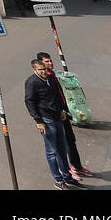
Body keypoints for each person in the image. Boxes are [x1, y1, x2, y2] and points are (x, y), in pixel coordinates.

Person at [25, 58, 86, 189]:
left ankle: (67, 177)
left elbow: (57, 96)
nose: (44, 72)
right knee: (52, 152)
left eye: (45, 69)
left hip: (58, 117)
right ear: (34, 70)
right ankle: (58, 180)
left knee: (62, 149)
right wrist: (38, 121)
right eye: (41, 70)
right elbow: (30, 102)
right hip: (46, 120)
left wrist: (63, 109)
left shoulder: (50, 79)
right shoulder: (32, 82)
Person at [37, 52, 94, 180]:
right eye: (47, 62)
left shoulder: (54, 76)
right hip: (53, 117)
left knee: (70, 141)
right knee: (59, 146)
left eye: (50, 61)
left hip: (64, 113)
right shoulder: (42, 80)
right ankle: (66, 171)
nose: (50, 63)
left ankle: (76, 167)